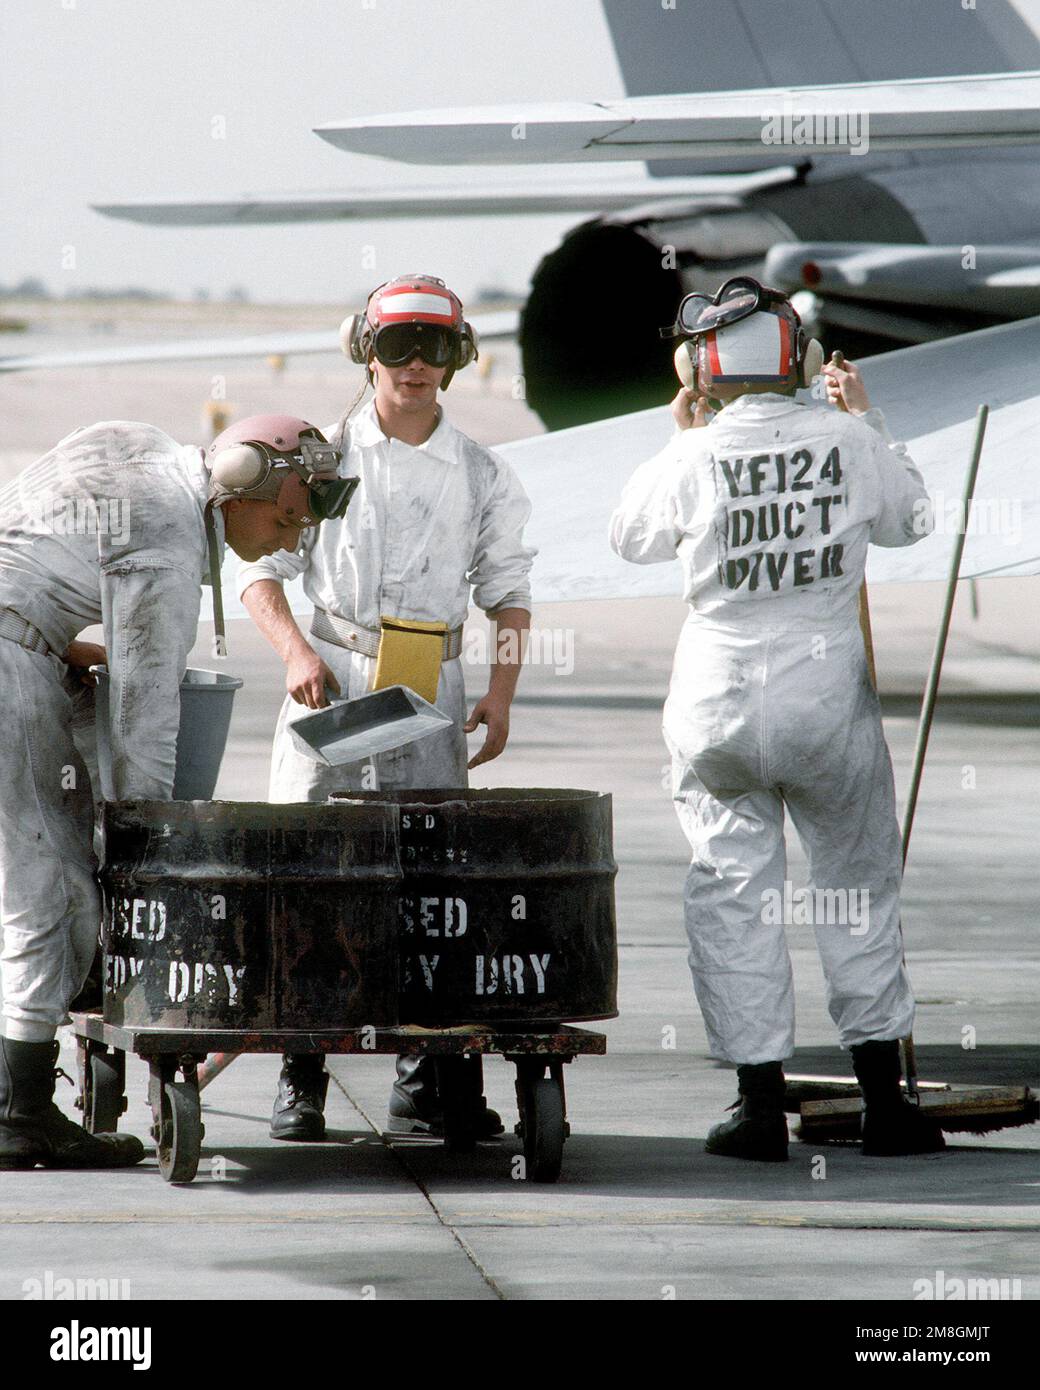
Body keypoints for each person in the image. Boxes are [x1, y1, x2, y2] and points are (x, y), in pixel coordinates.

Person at [609, 277, 945, 1160]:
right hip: (826, 701)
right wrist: (867, 421)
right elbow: (914, 518)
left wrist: (682, 438)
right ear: (797, 357)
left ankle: (757, 1107)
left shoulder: (689, 458)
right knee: (856, 891)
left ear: (704, 370)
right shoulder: (843, 438)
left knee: (733, 896)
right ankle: (884, 1104)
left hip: (715, 704)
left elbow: (628, 537)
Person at [0, 414, 348, 1169]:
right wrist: (141, 841)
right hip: (7, 664)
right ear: (235, 486)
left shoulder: (141, 448)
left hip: (19, 642)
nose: (291, 540)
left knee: (30, 885)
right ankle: (18, 1115)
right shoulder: (166, 538)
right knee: (55, 895)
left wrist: (56, 637)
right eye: (286, 517)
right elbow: (143, 712)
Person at [239, 274, 535, 1142]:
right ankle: (302, 1078)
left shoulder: (483, 473)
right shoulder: (319, 457)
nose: (414, 364)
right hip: (331, 681)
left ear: (457, 357)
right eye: (397, 344)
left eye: (433, 347)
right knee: (308, 874)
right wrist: (296, 653)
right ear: (365, 351)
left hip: (428, 691)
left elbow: (509, 595)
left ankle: (433, 1078)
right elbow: (258, 568)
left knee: (432, 878)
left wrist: (502, 694)